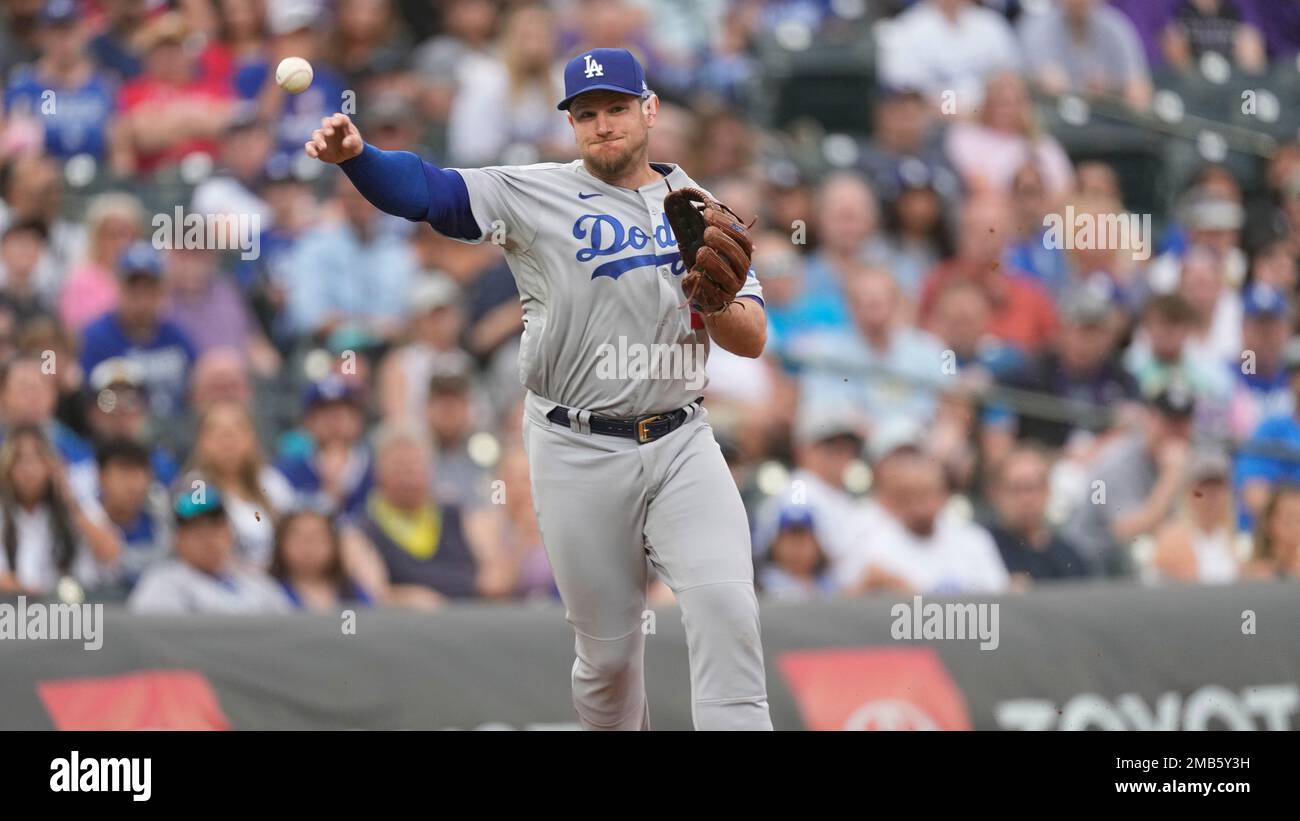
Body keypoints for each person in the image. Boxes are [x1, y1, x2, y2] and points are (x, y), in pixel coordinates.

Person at [306, 47, 773, 730]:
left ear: (649, 110)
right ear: (572, 125)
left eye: (617, 108)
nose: (603, 125)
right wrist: (357, 157)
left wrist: (719, 301)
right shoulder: (534, 191)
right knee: (608, 660)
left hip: (681, 439)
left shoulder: (698, 206)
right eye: (587, 114)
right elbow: (428, 190)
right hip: (576, 445)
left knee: (728, 611)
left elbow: (752, 338)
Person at [1061, 384, 1197, 576]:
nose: (1174, 431)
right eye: (1168, 422)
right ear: (1149, 420)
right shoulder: (1116, 462)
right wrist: (1171, 476)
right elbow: (1128, 532)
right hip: (1090, 565)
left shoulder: (1190, 458)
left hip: (1136, 564)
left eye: (1182, 423)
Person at [128, 480, 291, 614]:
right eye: (196, 529)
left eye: (215, 527)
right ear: (177, 539)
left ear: (229, 532)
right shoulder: (161, 583)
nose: (208, 538)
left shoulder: (256, 583)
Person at [79, 242, 198, 420]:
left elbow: (193, 389)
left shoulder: (175, 335)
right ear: (119, 288)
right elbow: (88, 402)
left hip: (175, 433)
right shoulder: (95, 338)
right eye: (133, 288)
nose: (141, 298)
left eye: (149, 288)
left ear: (161, 291)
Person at [0, 424, 120, 596]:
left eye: (38, 458)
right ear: (7, 467)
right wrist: (27, 591)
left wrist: (68, 501)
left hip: (71, 613)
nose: (28, 469)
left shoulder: (79, 506)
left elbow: (110, 554)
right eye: (19, 459)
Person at [185, 401, 295, 569]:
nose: (228, 439)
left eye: (237, 430)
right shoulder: (196, 486)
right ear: (202, 442)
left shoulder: (271, 481)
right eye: (216, 432)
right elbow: (197, 545)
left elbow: (293, 536)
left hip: (274, 581)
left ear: (253, 438)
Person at [984, 445, 1089, 588]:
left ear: (1048, 491)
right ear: (996, 494)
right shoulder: (982, 548)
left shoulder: (1068, 555)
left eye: (1033, 488)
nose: (1026, 499)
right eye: (1016, 489)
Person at [1152, 448, 1243, 584]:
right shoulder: (1171, 539)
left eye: (1217, 488)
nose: (1211, 496)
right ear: (1190, 493)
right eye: (1204, 487)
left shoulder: (1238, 542)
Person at [269, 509, 374, 611]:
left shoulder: (352, 591)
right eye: (298, 538)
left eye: (317, 538)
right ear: (281, 544)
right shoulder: (269, 591)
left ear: (334, 544)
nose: (308, 547)